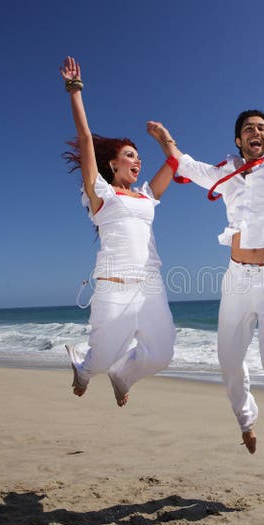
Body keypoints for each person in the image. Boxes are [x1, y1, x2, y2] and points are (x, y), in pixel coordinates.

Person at [147, 24, 264, 460]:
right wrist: (166, 141)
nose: (256, 133)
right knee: (228, 359)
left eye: (262, 128)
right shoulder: (226, 174)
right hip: (237, 279)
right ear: (238, 139)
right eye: (249, 129)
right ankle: (246, 420)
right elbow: (186, 164)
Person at [60, 56, 176, 406]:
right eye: (130, 155)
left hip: (151, 287)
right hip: (114, 288)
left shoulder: (145, 197)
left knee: (162, 354)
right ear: (113, 163)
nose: (137, 161)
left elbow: (174, 164)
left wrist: (164, 138)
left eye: (138, 156)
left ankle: (123, 377)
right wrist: (75, 92)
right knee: (100, 359)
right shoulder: (102, 195)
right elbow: (84, 139)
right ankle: (83, 366)